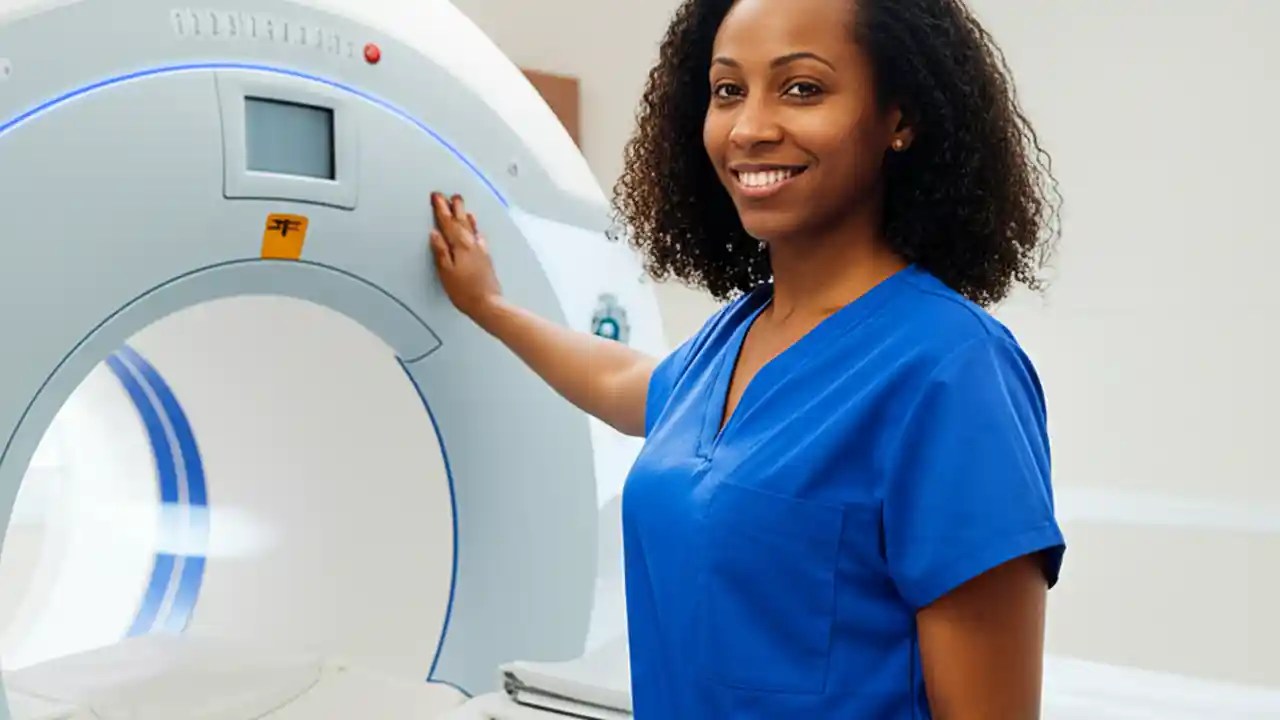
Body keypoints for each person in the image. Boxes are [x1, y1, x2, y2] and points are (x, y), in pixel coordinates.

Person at [428, 0, 1065, 716]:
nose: (752, 127)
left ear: (901, 118)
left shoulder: (954, 370)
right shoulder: (734, 334)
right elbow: (623, 381)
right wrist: (491, 307)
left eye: (802, 89)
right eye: (729, 90)